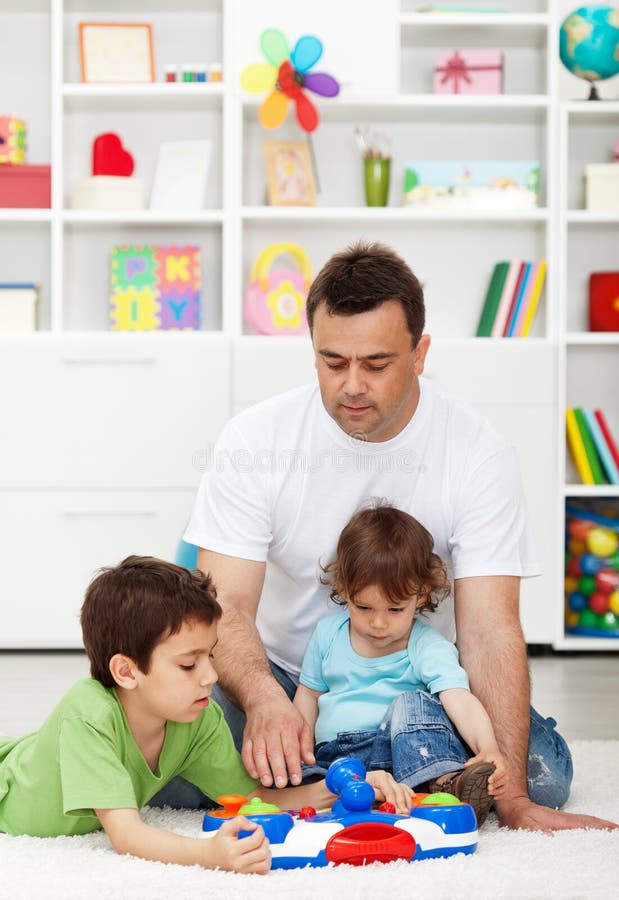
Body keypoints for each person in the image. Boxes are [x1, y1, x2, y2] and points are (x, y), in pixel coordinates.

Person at [183, 240, 617, 833]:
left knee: (538, 778)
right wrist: (264, 701)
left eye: (376, 364)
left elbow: (489, 629)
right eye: (333, 362)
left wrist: (513, 797)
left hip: (418, 680)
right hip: (285, 675)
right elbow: (224, 605)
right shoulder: (254, 439)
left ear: (419, 354)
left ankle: (370, 773)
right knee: (173, 762)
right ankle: (382, 772)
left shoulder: (478, 451)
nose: (352, 385)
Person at [0, 555, 408, 872]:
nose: (210, 676)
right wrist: (207, 855)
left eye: (210, 656)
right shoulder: (88, 715)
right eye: (188, 664)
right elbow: (127, 835)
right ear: (126, 671)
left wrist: (343, 788)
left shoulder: (198, 717)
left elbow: (255, 798)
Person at [294, 502, 509, 827]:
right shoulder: (328, 635)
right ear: (344, 590)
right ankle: (367, 795)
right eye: (364, 607)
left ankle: (444, 784)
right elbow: (308, 695)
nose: (378, 623)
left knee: (413, 704)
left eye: (394, 610)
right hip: (340, 757)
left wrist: (487, 746)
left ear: (420, 595)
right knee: (305, 775)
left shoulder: (426, 645)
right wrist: (298, 751)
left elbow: (460, 700)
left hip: (407, 752)